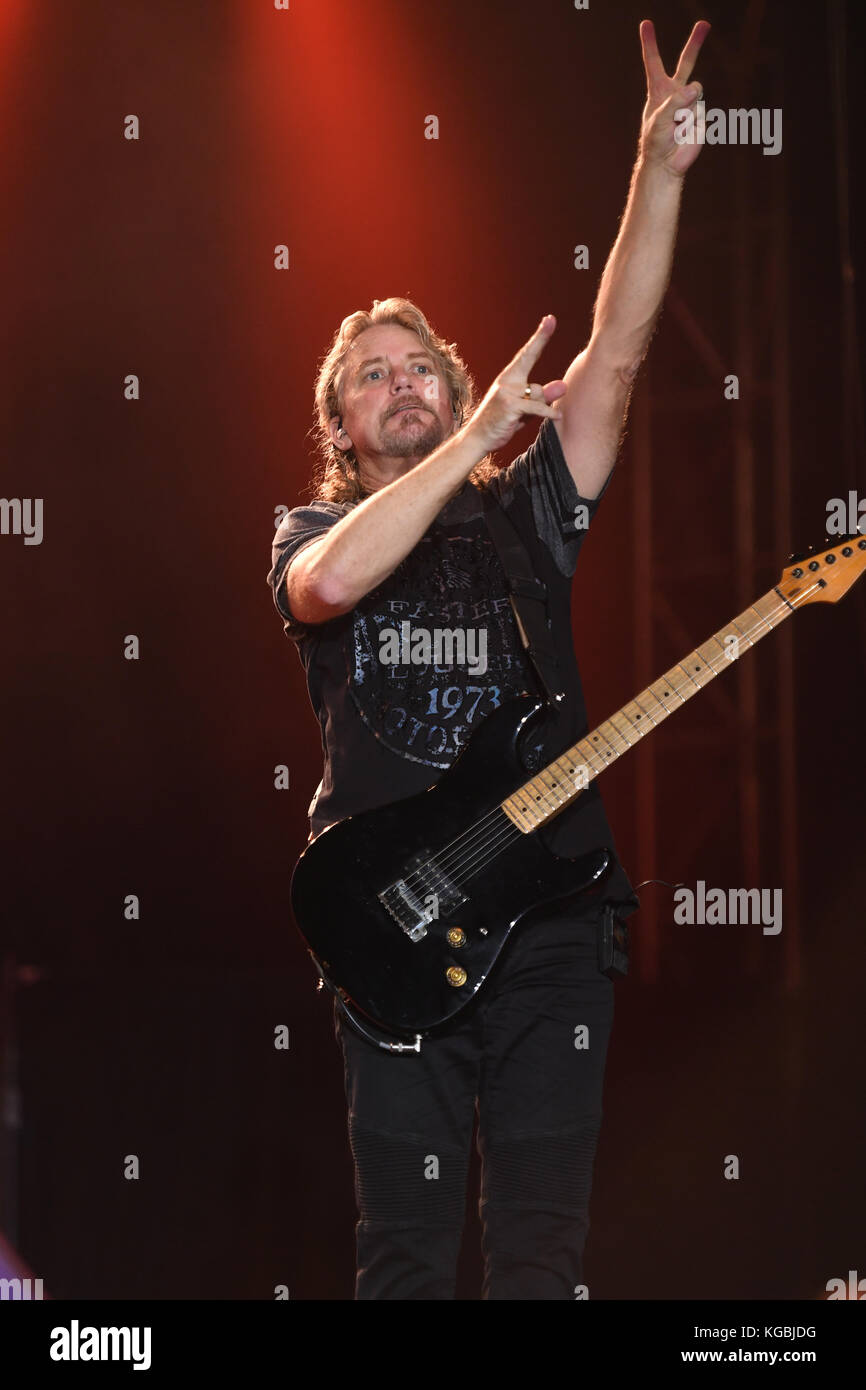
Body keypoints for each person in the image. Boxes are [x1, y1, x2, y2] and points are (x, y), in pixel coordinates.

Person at [267, 19, 709, 1299]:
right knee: (402, 1259)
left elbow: (611, 360)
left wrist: (655, 175)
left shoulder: (522, 515)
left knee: (536, 1255)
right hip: (389, 918)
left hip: (551, 922)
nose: (401, 386)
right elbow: (334, 582)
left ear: (461, 395)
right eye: (371, 378)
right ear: (340, 431)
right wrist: (467, 448)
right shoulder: (308, 531)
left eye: (422, 369)